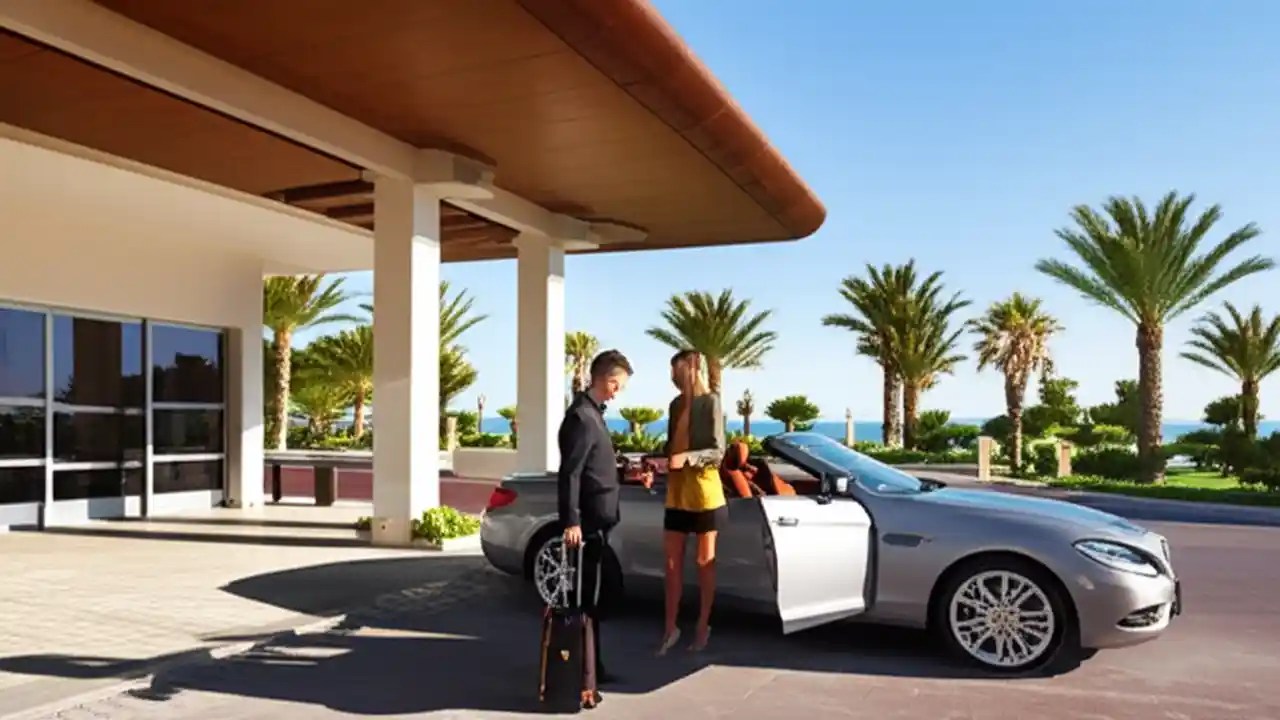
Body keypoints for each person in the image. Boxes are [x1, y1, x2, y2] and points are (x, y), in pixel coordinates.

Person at [558, 349, 638, 686]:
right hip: (587, 524)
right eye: (619, 384)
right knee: (586, 599)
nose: (620, 391)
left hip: (599, 523)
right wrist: (571, 521)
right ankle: (586, 669)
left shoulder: (593, 414)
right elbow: (571, 473)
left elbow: (595, 466)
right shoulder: (581, 417)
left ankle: (591, 666)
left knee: (597, 597)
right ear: (607, 379)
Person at [657, 349, 726, 655]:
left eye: (677, 370)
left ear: (692, 368)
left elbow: (716, 451)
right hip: (676, 493)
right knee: (671, 564)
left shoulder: (710, 403)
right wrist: (656, 461)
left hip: (704, 494)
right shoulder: (674, 406)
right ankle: (671, 628)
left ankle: (702, 625)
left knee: (703, 563)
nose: (673, 377)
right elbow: (671, 446)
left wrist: (685, 458)